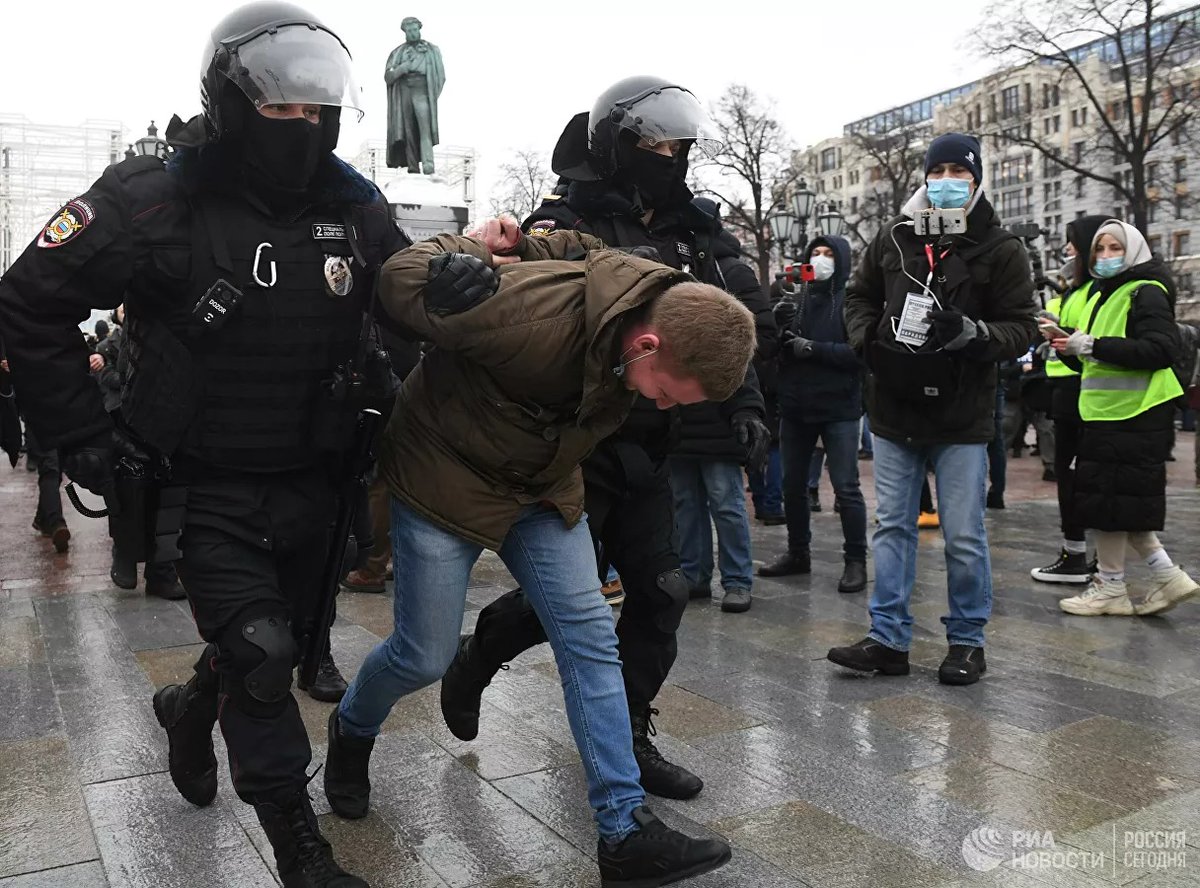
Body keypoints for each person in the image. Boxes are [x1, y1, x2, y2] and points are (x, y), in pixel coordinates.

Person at [0, 5, 407, 885]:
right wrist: (78, 431)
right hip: (200, 478)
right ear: (229, 101)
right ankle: (300, 848)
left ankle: (190, 708)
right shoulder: (153, 197)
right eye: (280, 110)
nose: (302, 129)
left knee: (274, 647)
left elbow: (405, 301)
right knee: (261, 660)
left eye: (315, 112)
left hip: (317, 475)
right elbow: (30, 298)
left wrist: (454, 284)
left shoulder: (355, 203)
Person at [324, 216, 747, 887]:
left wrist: (530, 242)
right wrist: (456, 259)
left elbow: (578, 249)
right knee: (423, 654)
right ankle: (351, 731)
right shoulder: (528, 317)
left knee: (588, 639)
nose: (665, 407)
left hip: (541, 485)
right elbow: (403, 277)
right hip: (445, 473)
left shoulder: (645, 315)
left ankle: (623, 830)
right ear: (647, 344)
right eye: (667, 392)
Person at [438, 77, 769, 808]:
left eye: (678, 146)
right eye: (652, 145)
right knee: (567, 600)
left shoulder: (693, 229)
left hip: (655, 442)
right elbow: (525, 322)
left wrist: (745, 403)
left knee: (663, 590)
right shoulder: (564, 218)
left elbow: (728, 318)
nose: (668, 157)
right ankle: (477, 658)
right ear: (615, 146)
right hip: (580, 449)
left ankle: (631, 733)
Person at [829, 133, 1037, 686]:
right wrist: (865, 340)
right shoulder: (894, 238)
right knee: (891, 525)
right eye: (937, 169)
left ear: (976, 178)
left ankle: (967, 641)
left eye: (958, 170)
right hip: (895, 405)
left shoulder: (1001, 247)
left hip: (961, 414)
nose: (946, 180)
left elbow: (1023, 327)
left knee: (964, 533)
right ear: (924, 176)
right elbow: (858, 296)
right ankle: (887, 638)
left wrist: (974, 332)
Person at [1052, 221, 1199, 616]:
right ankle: (1156, 578)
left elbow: (1158, 349)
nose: (1104, 256)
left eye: (1114, 247)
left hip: (1134, 415)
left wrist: (1091, 344)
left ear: (1133, 250)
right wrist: (1069, 344)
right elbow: (1099, 358)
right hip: (1111, 415)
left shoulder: (1145, 292)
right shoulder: (1109, 292)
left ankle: (1114, 587)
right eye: (1098, 249)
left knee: (1111, 505)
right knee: (1111, 504)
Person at [758, 235, 868, 593]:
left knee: (846, 488)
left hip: (839, 406)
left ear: (843, 261)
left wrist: (815, 350)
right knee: (793, 486)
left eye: (828, 254)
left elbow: (858, 353)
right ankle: (797, 551)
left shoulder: (851, 300)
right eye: (814, 254)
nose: (820, 260)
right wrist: (776, 324)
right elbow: (773, 352)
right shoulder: (797, 298)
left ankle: (855, 560)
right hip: (796, 405)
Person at [1030, 217, 1108, 583]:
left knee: (1081, 478)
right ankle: (1074, 550)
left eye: (1072, 244)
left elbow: (1094, 339)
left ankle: (1091, 559)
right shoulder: (1073, 290)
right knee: (1067, 475)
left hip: (1086, 393)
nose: (1067, 251)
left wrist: (1068, 336)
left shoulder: (1098, 290)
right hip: (1064, 390)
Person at [384, 16, 445, 174]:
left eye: (414, 30)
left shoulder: (432, 50)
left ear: (419, 29)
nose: (412, 33)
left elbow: (441, 77)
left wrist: (431, 95)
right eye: (409, 31)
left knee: (424, 129)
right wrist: (403, 68)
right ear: (405, 32)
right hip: (404, 90)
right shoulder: (398, 53)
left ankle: (428, 164)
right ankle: (412, 166)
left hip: (422, 90)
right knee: (407, 129)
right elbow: (388, 77)